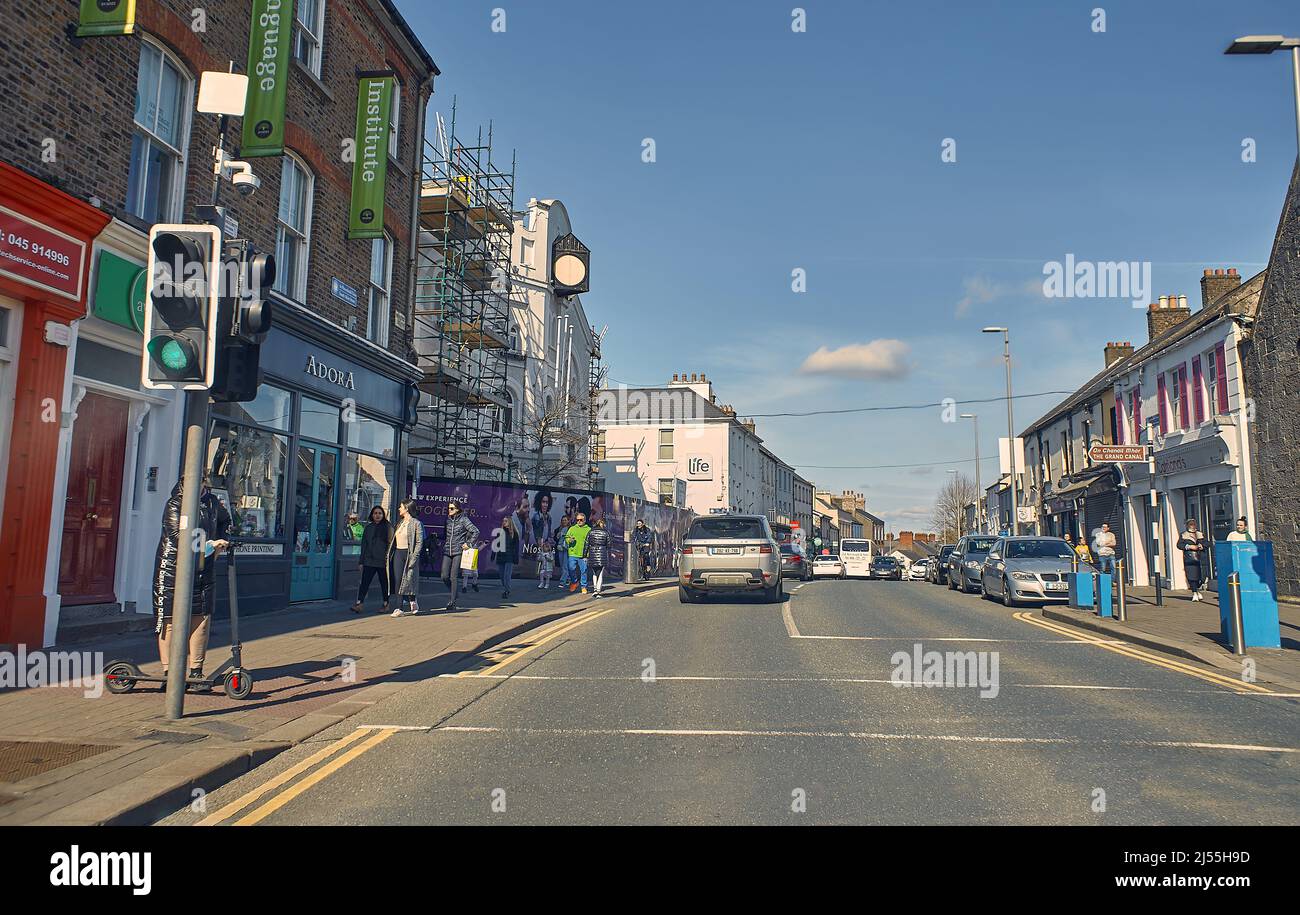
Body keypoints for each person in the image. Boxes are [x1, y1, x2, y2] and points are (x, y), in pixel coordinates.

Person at [153, 476, 231, 688]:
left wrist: (222, 542)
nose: (197, 488)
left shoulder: (213, 503)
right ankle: (169, 673)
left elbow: (227, 520)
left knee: (201, 618)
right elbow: (177, 535)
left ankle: (196, 672)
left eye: (201, 483)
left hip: (203, 568)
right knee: (169, 620)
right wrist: (210, 544)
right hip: (172, 568)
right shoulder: (175, 503)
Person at [351, 506, 392, 613]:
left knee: (384, 584)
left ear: (383, 515)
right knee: (364, 583)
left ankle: (385, 603)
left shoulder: (388, 527)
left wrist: (388, 559)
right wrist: (361, 561)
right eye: (375, 513)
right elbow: (364, 545)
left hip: (383, 562)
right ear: (372, 515)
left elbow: (391, 544)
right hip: (369, 560)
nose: (377, 515)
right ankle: (359, 603)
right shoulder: (368, 528)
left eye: (380, 513)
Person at [441, 500, 480, 612]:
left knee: (453, 576)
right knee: (444, 576)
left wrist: (468, 544)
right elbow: (445, 535)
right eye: (448, 508)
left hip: (458, 551)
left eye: (452, 508)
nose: (449, 510)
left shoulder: (463, 519)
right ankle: (455, 592)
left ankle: (452, 602)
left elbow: (476, 531)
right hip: (447, 550)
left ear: (457, 509)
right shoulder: (448, 520)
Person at [389, 499, 424, 616]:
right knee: (398, 579)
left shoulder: (416, 523)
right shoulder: (400, 523)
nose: (399, 509)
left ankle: (413, 600)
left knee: (410, 579)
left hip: (409, 554)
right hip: (398, 553)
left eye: (401, 507)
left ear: (407, 508)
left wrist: (414, 557)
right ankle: (399, 608)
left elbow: (419, 542)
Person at [1177, 518, 1207, 601]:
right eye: (1190, 524)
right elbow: (1179, 545)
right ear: (1187, 526)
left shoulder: (1200, 534)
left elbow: (1207, 543)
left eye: (1193, 524)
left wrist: (1202, 546)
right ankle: (1194, 593)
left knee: (1202, 577)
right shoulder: (1184, 535)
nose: (1192, 526)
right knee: (1192, 576)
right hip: (1190, 559)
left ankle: (1197, 590)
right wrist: (1189, 546)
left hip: (1200, 558)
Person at [565, 511, 592, 593]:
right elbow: (566, 538)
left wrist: (589, 553)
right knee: (571, 568)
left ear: (584, 520)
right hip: (572, 553)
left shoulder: (588, 529)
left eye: (581, 520)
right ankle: (574, 582)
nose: (579, 521)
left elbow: (591, 542)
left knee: (584, 571)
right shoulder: (572, 528)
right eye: (577, 520)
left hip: (583, 555)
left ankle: (583, 586)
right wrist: (569, 540)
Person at [495, 515, 521, 600]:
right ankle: (506, 588)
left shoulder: (514, 533)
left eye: (506, 521)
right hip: (501, 556)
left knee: (507, 575)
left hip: (509, 557)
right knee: (502, 576)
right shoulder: (500, 532)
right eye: (503, 521)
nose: (504, 522)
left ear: (509, 522)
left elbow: (516, 547)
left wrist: (516, 558)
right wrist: (493, 555)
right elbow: (496, 544)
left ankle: (506, 590)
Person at [585, 517, 611, 596]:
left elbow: (586, 544)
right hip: (602, 553)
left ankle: (595, 589)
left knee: (594, 572)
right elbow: (609, 545)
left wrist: (584, 554)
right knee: (600, 573)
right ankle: (598, 590)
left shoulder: (590, 532)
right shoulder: (606, 532)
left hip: (592, 553)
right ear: (602, 524)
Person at [556, 513, 572, 587]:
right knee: (562, 564)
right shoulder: (560, 528)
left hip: (566, 548)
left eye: (565, 520)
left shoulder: (570, 529)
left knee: (565, 565)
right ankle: (568, 578)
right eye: (563, 520)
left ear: (568, 521)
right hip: (560, 548)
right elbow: (557, 538)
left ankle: (562, 581)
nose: (564, 522)